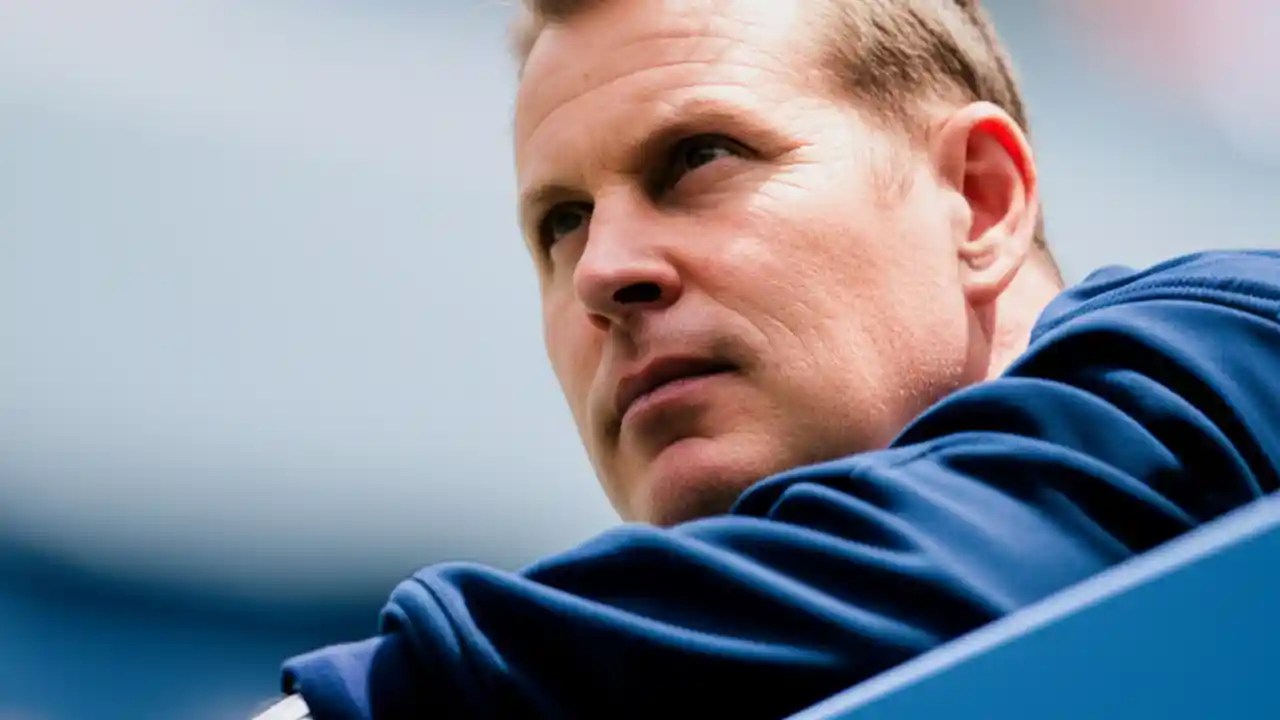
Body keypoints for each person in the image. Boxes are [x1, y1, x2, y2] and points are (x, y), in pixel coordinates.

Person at [256, 0, 1280, 717]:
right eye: (562, 223)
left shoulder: (1238, 348)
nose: (602, 272)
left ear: (977, 199)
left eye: (697, 157)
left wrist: (386, 698)